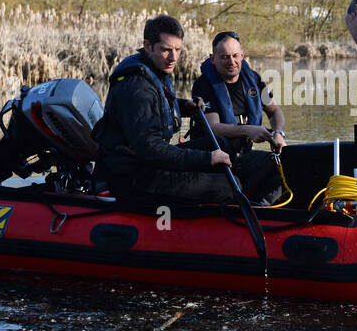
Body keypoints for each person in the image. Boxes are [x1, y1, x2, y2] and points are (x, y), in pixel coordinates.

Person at [94, 14, 279, 206]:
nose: (173, 58)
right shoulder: (137, 88)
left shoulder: (155, 68)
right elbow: (151, 149)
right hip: (133, 176)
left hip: (146, 163)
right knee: (228, 187)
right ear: (148, 46)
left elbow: (158, 106)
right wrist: (207, 159)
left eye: (177, 50)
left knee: (222, 145)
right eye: (166, 50)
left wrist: (184, 106)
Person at [187, 31, 288, 154]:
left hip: (243, 153)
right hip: (212, 153)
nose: (231, 62)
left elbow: (274, 111)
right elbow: (213, 128)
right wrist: (248, 130)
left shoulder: (254, 80)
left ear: (242, 55)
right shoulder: (203, 85)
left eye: (235, 56)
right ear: (213, 59)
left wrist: (278, 133)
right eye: (225, 57)